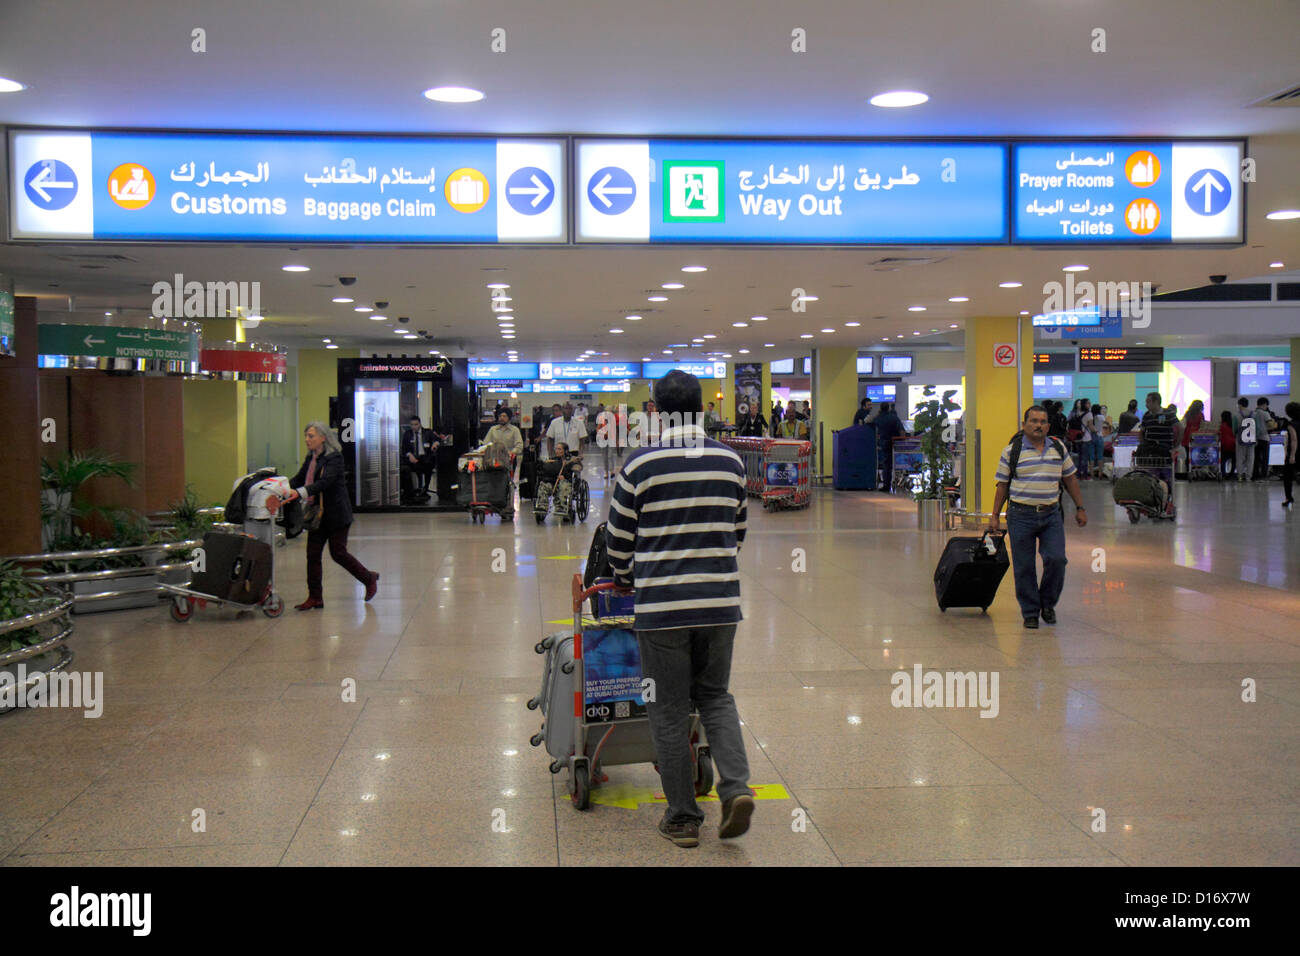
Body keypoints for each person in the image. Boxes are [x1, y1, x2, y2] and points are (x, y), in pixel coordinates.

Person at [606, 370, 752, 848]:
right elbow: (738, 532)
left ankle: (683, 819)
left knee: (667, 709)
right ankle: (734, 790)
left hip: (663, 608)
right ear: (703, 408)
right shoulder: (730, 461)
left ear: (656, 410)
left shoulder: (640, 465)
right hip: (720, 605)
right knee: (715, 697)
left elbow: (618, 541)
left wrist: (626, 577)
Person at [988, 405, 1086, 629]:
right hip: (1020, 515)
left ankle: (1048, 604)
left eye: (1042, 421)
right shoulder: (1011, 451)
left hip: (1051, 514)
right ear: (1024, 425)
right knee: (1024, 566)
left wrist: (1081, 507)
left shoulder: (1058, 448)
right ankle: (1030, 611)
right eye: (1033, 421)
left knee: (1056, 559)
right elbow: (1002, 485)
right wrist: (995, 515)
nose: (1038, 425)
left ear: (1048, 426)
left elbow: (1070, 479)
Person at [282, 422, 378, 610]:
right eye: (306, 436)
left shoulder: (334, 458)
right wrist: (284, 487)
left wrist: (300, 492)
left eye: (311, 436)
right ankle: (315, 597)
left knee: (338, 553)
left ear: (323, 438)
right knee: (312, 555)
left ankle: (369, 578)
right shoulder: (311, 457)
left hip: (336, 514)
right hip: (317, 514)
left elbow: (325, 482)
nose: (307, 440)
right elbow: (300, 478)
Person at [401, 415, 441, 499]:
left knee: (428, 465)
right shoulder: (407, 434)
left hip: (425, 457)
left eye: (416, 424)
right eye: (412, 425)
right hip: (413, 457)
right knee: (406, 468)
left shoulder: (427, 432)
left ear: (419, 424)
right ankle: (412, 491)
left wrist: (435, 443)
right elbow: (404, 449)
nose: (414, 427)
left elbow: (437, 439)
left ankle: (424, 488)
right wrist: (409, 455)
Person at [875, 402, 906, 493]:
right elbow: (901, 431)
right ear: (888, 408)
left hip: (884, 443)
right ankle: (898, 480)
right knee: (897, 463)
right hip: (895, 442)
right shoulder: (894, 417)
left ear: (880, 408)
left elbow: (874, 426)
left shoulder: (878, 418)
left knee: (886, 465)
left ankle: (886, 485)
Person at [1136, 392, 1176, 461]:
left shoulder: (1168, 413)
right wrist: (1143, 443)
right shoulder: (1147, 415)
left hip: (1164, 448)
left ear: (1156, 402)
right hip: (1150, 447)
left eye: (1148, 402)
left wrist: (1176, 445)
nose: (1146, 405)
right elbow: (1141, 432)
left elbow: (1180, 428)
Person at [1178, 399, 1206, 477]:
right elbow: (1202, 425)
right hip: (1197, 437)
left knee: (1188, 456)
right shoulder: (1200, 415)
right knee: (1197, 456)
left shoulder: (1188, 414)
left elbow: (1183, 424)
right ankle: (1196, 473)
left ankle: (1188, 471)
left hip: (1187, 436)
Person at [1253, 398, 1276, 481]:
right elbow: (1271, 425)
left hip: (1254, 439)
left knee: (1256, 458)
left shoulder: (1253, 413)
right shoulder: (1265, 413)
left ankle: (1255, 475)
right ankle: (1263, 475)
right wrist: (1273, 423)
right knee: (1265, 458)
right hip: (1264, 438)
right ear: (1264, 404)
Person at [1281, 403, 1299, 507]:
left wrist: (1292, 455)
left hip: (1295, 453)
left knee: (1287, 477)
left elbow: (1294, 440)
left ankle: (1288, 498)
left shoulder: (1291, 424)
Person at [1234, 397, 1255, 482]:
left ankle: (1239, 476)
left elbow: (1234, 428)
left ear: (1239, 404)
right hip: (1251, 438)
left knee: (1240, 458)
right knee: (1250, 458)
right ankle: (1248, 477)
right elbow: (1258, 428)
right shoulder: (1254, 414)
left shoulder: (1236, 415)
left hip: (1240, 439)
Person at [1218, 410, 1237, 480]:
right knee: (1234, 461)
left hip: (1225, 445)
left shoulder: (1222, 426)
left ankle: (1223, 474)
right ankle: (1231, 474)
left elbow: (1220, 435)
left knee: (1222, 461)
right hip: (1233, 445)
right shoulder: (1233, 425)